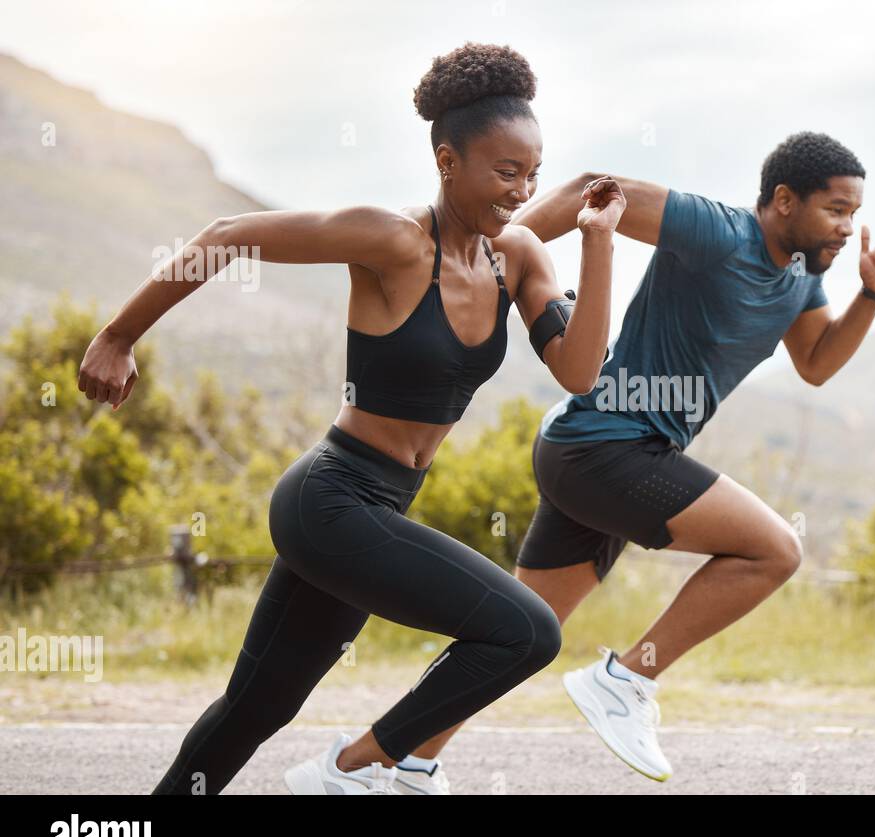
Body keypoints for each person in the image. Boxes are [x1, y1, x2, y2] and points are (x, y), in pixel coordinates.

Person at [76, 42, 626, 795]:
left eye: (533, 172)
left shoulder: (520, 256)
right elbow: (226, 236)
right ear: (447, 161)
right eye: (505, 172)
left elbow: (580, 370)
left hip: (379, 508)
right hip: (331, 499)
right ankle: (354, 768)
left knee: (257, 706)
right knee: (527, 631)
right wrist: (118, 336)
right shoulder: (392, 240)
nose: (521, 189)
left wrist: (598, 245)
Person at [403, 131, 875, 782]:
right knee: (775, 550)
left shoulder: (798, 282)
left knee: (516, 637)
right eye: (836, 210)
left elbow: (816, 363)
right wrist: (478, 260)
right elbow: (594, 189)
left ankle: (390, 761)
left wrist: (872, 295)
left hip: (600, 455)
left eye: (854, 212)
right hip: (608, 449)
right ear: (784, 201)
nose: (849, 228)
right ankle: (625, 681)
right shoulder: (717, 231)